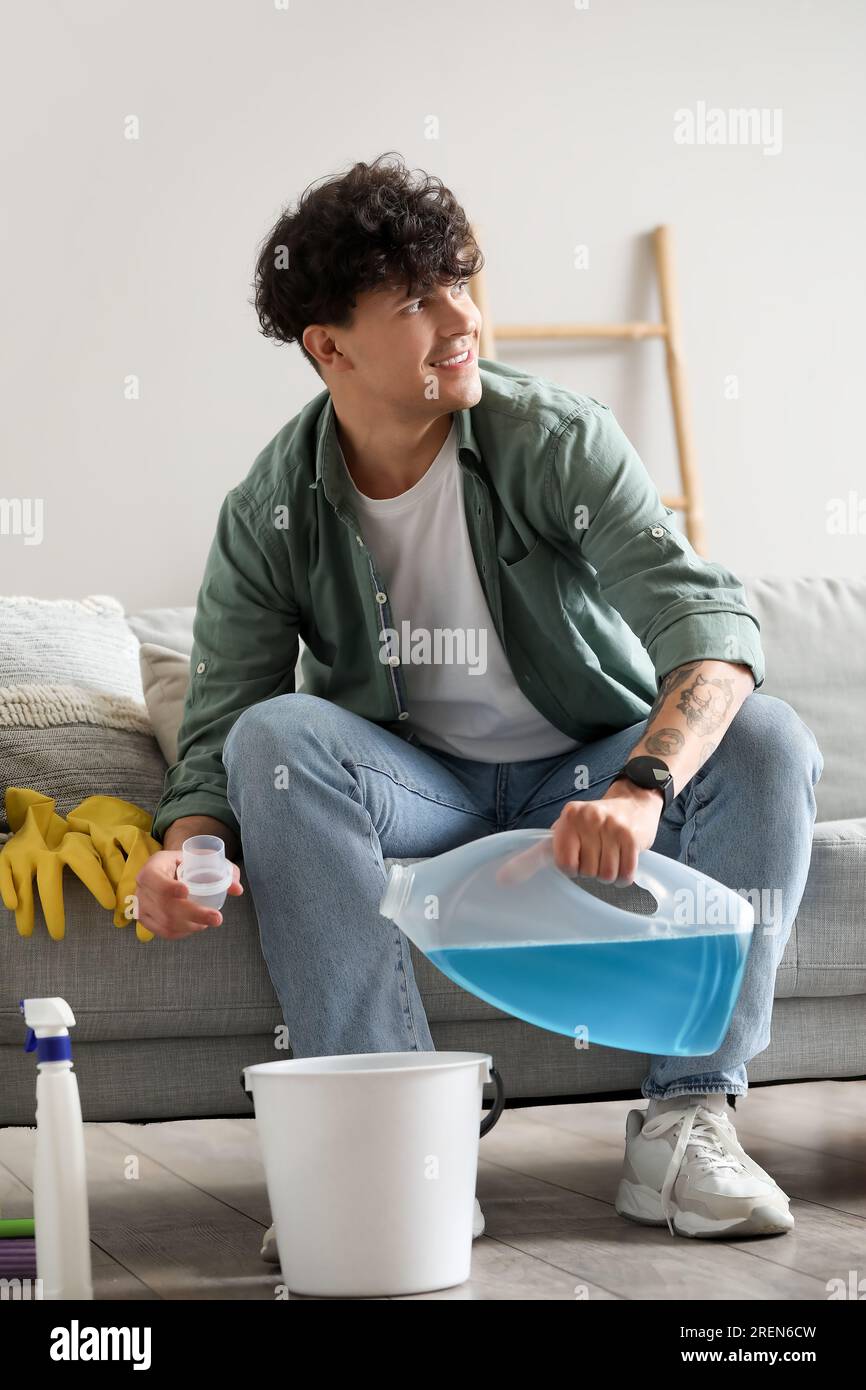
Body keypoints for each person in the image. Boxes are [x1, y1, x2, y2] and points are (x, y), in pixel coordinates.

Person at [138, 152, 823, 1242]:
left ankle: (687, 1122)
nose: (461, 316)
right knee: (278, 736)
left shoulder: (552, 440)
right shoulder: (270, 506)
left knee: (769, 741)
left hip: (580, 776)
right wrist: (187, 844)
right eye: (416, 299)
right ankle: (395, 1146)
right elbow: (224, 724)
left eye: (461, 278)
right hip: (422, 792)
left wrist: (642, 786)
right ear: (329, 347)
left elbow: (712, 633)